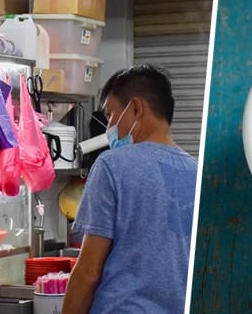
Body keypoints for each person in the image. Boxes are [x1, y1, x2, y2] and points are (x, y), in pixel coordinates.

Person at [61, 64, 199, 314]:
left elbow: (89, 271)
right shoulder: (197, 172)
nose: (109, 128)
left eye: (110, 115)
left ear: (135, 108)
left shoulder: (112, 165)